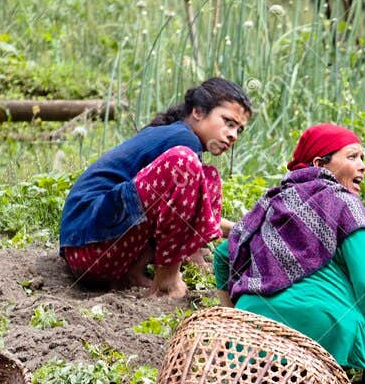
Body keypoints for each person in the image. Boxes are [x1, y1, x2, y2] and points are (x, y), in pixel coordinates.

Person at [214, 124, 365, 384]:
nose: (362, 166)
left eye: (363, 158)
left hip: (250, 334)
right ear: (320, 163)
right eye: (352, 156)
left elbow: (222, 255)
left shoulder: (274, 202)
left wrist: (234, 323)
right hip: (323, 335)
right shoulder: (342, 203)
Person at [59, 78, 251, 298]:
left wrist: (243, 230)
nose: (233, 135)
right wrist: (246, 230)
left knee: (207, 178)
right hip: (89, 248)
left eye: (239, 130)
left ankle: (141, 270)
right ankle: (167, 281)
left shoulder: (178, 136)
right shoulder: (184, 140)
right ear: (198, 112)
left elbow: (196, 212)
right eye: (228, 122)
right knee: (186, 164)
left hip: (102, 246)